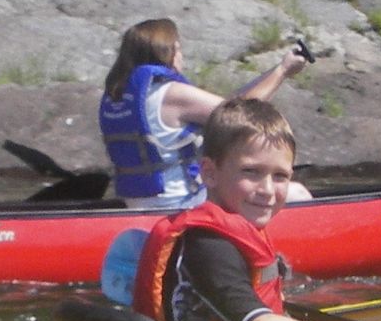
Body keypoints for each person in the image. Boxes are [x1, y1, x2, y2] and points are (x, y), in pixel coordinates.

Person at [131, 98, 381, 321]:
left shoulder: (231, 230)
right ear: (210, 173)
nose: (267, 190)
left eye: (280, 176)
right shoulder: (209, 244)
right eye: (251, 172)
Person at [98, 17, 312, 210]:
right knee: (297, 194)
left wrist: (276, 70)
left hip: (138, 204)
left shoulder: (120, 96)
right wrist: (282, 71)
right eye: (178, 50)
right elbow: (239, 114)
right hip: (180, 204)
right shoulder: (171, 94)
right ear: (168, 53)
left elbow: (231, 103)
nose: (181, 57)